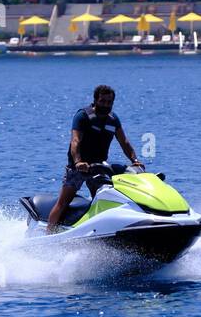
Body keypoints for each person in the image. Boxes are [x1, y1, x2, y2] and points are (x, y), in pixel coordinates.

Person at [46, 84, 144, 233]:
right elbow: (75, 141)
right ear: (95, 100)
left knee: (104, 199)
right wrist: (78, 162)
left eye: (109, 102)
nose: (106, 105)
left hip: (99, 167)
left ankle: (100, 231)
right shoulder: (83, 116)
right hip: (78, 167)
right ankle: (48, 234)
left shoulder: (113, 119)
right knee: (63, 202)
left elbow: (124, 142)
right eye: (102, 101)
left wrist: (134, 160)